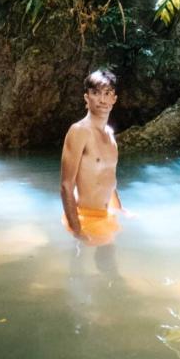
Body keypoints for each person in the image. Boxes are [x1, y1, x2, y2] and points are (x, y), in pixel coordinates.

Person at [60, 69, 123, 246]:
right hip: (83, 217)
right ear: (87, 98)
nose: (102, 99)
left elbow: (109, 179)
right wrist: (77, 229)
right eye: (95, 93)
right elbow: (66, 186)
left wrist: (121, 210)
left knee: (109, 267)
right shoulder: (79, 131)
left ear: (114, 99)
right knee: (81, 269)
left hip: (106, 216)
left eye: (107, 93)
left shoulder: (110, 135)